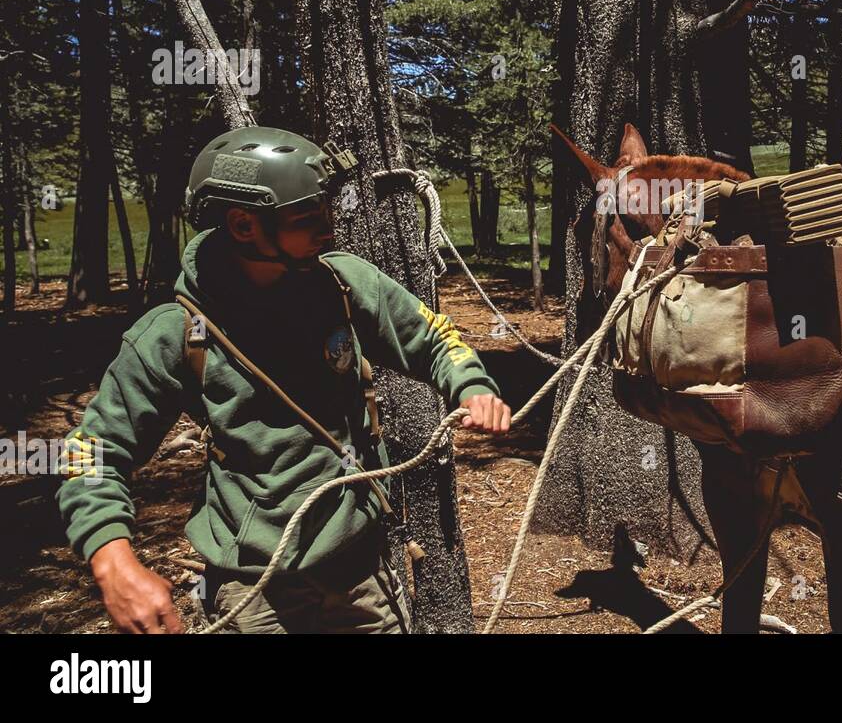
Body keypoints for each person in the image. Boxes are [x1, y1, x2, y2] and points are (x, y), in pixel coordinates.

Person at [57, 126, 511, 633]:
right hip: (252, 592)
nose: (328, 228)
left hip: (362, 575)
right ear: (243, 225)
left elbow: (433, 338)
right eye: (307, 218)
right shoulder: (176, 333)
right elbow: (92, 451)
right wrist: (112, 560)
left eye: (325, 211)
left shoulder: (343, 284)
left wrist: (470, 385)